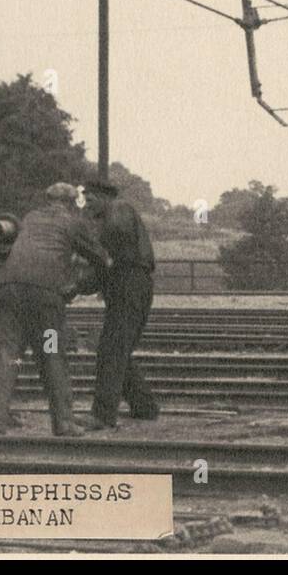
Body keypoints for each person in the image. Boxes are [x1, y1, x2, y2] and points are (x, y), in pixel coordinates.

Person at [0, 182, 111, 436]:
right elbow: (101, 258)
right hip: (44, 295)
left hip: (8, 288)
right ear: (69, 202)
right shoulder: (72, 222)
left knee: (7, 355)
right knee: (52, 354)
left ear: (48, 200)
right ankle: (63, 422)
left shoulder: (31, 217)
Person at [77, 180, 159, 429]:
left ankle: (102, 415)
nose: (87, 205)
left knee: (112, 349)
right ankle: (144, 406)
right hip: (127, 283)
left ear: (103, 197)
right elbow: (103, 269)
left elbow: (111, 246)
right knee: (116, 348)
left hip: (130, 283)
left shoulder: (119, 209)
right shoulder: (113, 216)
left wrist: (92, 244)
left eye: (90, 200)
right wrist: (77, 288)